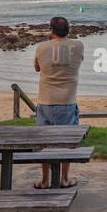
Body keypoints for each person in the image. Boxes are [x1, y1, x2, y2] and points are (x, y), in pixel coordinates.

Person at [32, 16, 84, 188]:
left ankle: (45, 180)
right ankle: (64, 178)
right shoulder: (78, 45)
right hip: (67, 101)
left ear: (51, 30)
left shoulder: (41, 47)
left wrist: (49, 42)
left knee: (44, 143)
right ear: (68, 30)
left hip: (45, 101)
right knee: (66, 142)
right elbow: (78, 62)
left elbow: (37, 67)